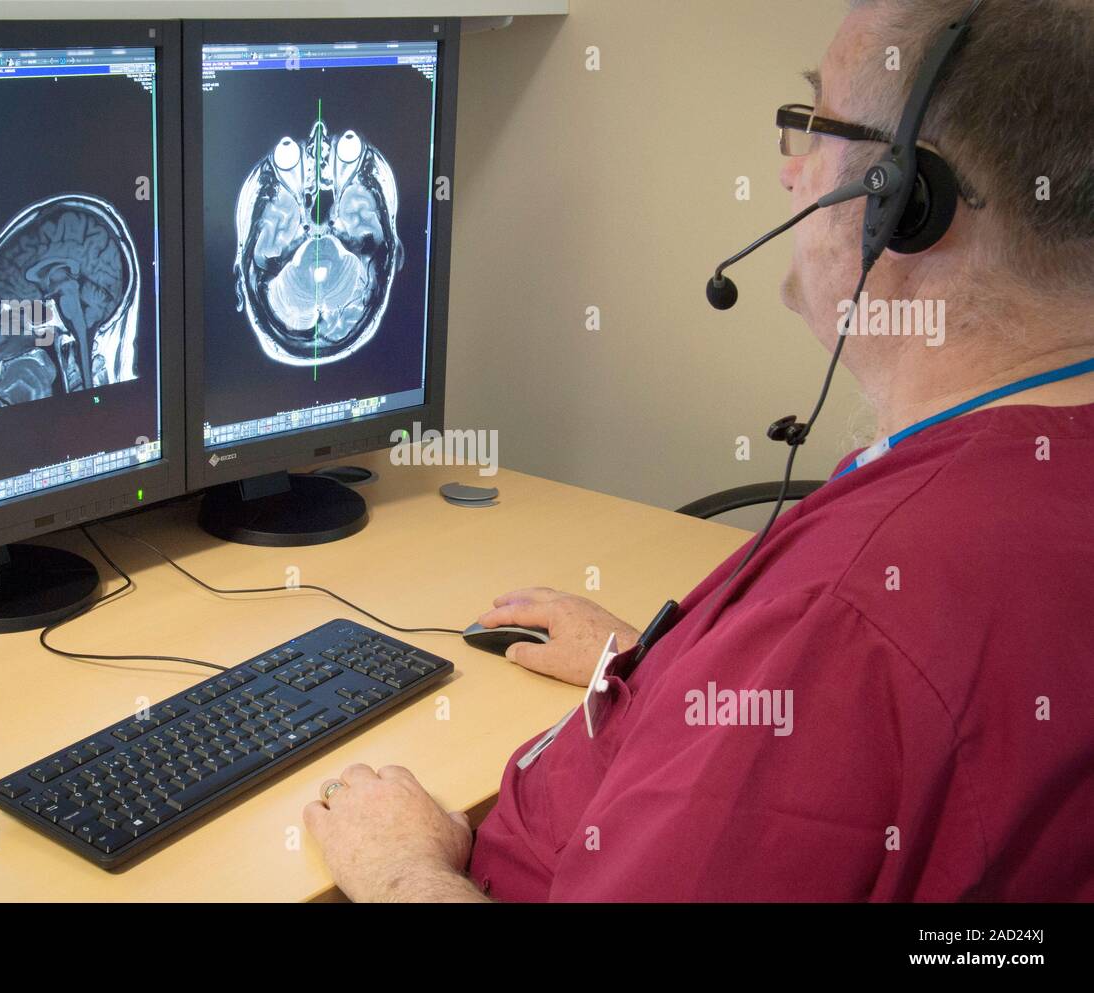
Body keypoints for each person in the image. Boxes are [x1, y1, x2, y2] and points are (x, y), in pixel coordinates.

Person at [302, 0, 1094, 901]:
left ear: (904, 202)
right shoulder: (1009, 469)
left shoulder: (850, 617)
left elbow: (861, 690)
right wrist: (678, 674)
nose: (792, 175)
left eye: (814, 125)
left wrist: (400, 867)